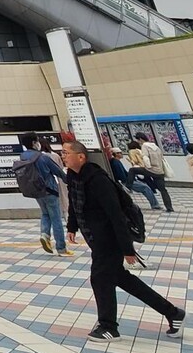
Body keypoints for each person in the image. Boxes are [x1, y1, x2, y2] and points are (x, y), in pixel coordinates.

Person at [64, 139, 184, 340]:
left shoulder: (97, 179)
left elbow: (116, 214)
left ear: (81, 156)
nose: (63, 156)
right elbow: (75, 204)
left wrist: (127, 249)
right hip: (96, 238)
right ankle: (173, 313)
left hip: (109, 239)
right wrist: (72, 227)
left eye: (66, 153)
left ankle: (108, 326)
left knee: (100, 279)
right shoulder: (73, 177)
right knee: (122, 279)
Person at [18, 135, 71, 257]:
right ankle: (61, 248)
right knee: (56, 218)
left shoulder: (23, 157)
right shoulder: (42, 157)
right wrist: (69, 181)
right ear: (34, 142)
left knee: (45, 213)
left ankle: (45, 234)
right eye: (37, 141)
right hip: (50, 190)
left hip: (35, 191)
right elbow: (58, 171)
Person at [136, 133, 174, 212]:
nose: (138, 142)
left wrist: (148, 167)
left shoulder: (144, 146)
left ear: (140, 139)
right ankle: (169, 207)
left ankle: (129, 186)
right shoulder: (156, 147)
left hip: (151, 169)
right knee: (163, 190)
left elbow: (145, 158)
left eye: (138, 140)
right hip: (160, 171)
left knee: (133, 171)